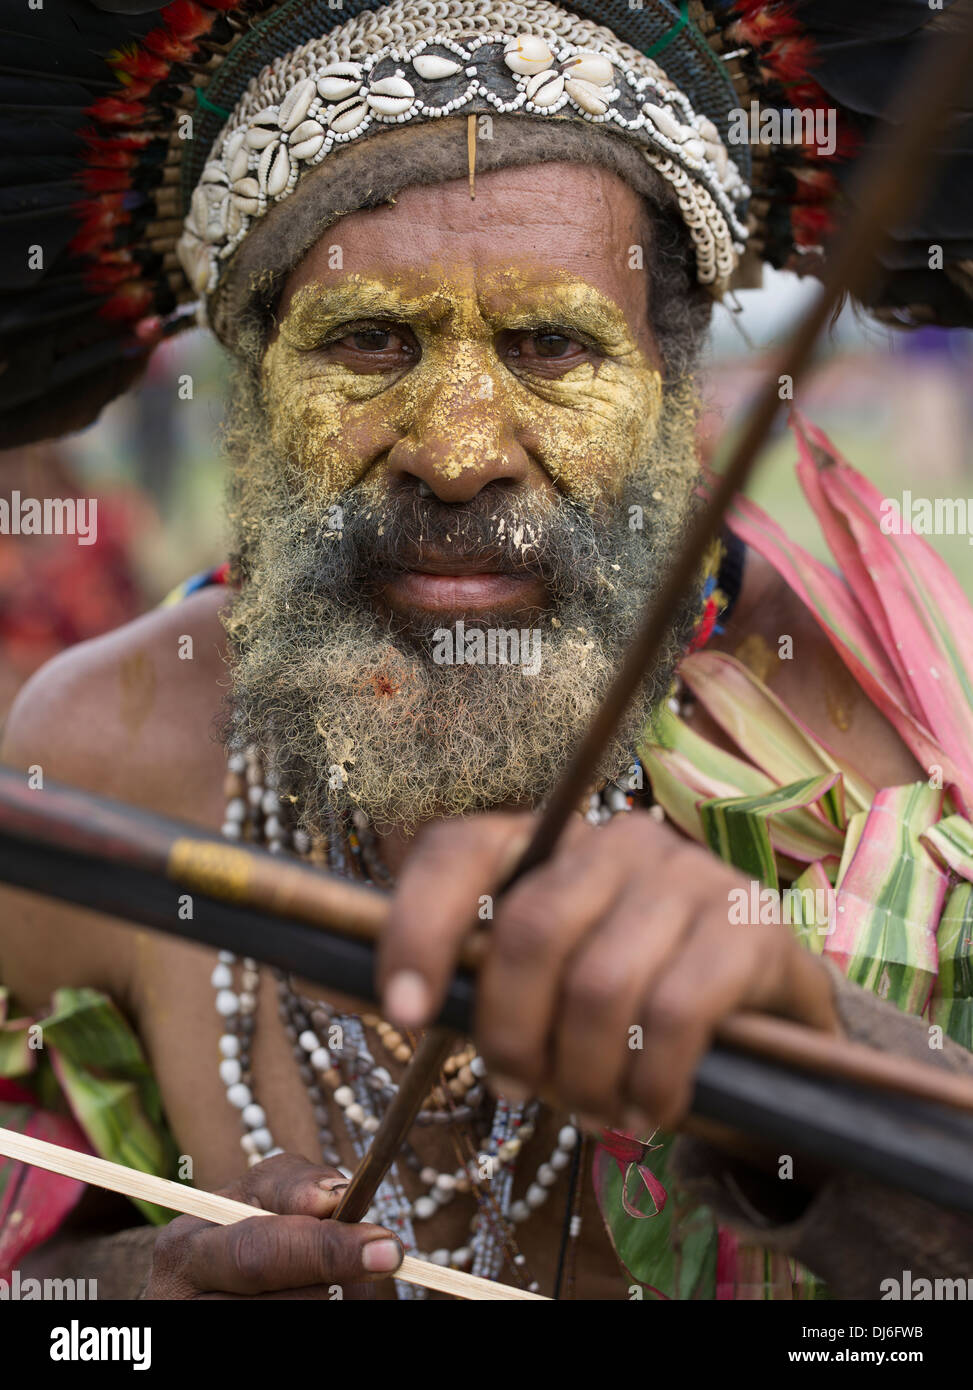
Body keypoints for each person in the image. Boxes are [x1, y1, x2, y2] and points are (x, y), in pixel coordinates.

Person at [1, 0, 972, 1301]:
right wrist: (132, 1298)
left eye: (551, 346)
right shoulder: (96, 760)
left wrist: (809, 1083)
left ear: (672, 392)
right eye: (366, 341)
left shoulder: (896, 781)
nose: (458, 450)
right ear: (247, 380)